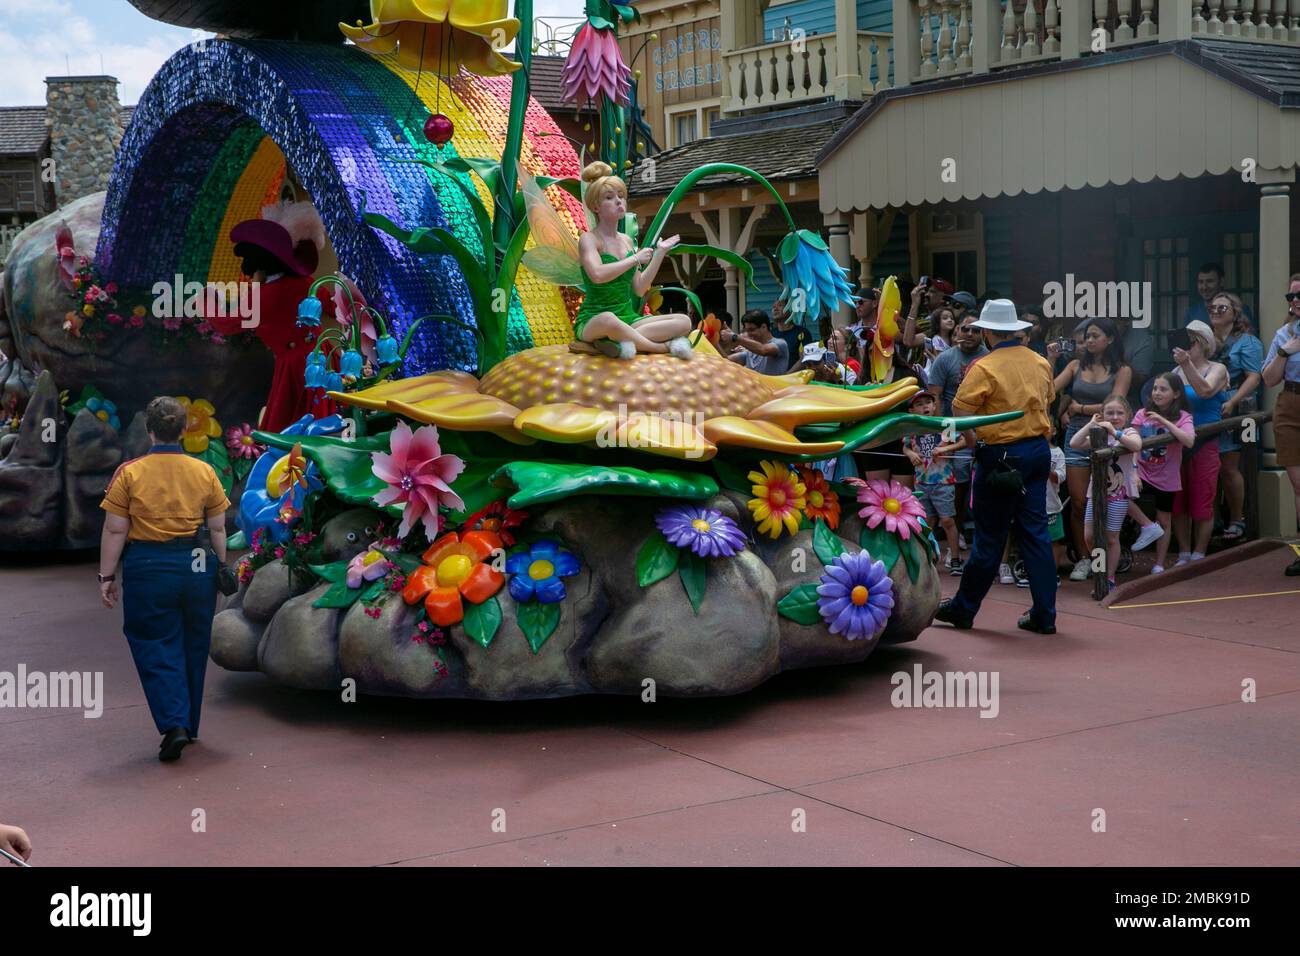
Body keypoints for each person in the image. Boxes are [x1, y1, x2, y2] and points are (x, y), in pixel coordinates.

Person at [99, 396, 230, 762]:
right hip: (198, 563)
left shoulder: (130, 473)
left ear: (149, 429)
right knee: (193, 639)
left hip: (149, 565)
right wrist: (221, 565)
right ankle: (189, 724)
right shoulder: (203, 471)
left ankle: (174, 723)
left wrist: (106, 576)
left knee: (154, 640)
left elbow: (114, 530)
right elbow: (218, 526)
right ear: (186, 429)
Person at [934, 299, 1058, 634]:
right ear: (1016, 330)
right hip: (1036, 451)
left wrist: (976, 444)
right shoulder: (1040, 362)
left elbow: (960, 412)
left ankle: (964, 608)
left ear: (988, 331)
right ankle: (1045, 615)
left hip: (1001, 456)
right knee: (1036, 534)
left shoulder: (985, 367)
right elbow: (1047, 403)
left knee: (989, 537)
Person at [206, 202, 338, 432]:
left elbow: (226, 324)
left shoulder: (265, 295)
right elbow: (334, 307)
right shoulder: (304, 282)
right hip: (323, 355)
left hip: (297, 368)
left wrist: (205, 301)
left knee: (292, 426)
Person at [571, 162, 691, 360]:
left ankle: (613, 342)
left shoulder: (626, 241)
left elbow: (640, 288)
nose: (619, 201)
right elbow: (598, 275)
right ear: (595, 207)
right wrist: (634, 259)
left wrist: (659, 254)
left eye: (621, 196)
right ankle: (662, 348)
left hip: (628, 319)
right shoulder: (589, 239)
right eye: (610, 198)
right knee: (610, 321)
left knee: (684, 321)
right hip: (595, 319)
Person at [1050, 317, 1133, 581]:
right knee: (1079, 502)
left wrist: (1079, 408)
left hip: (1107, 437)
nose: (1089, 340)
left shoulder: (1122, 370)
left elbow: (1115, 404)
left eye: (1095, 335)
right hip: (1077, 434)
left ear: (1109, 339)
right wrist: (1051, 361)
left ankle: (1107, 555)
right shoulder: (1075, 365)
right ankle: (1086, 558)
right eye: (1087, 336)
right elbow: (1048, 391)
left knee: (1105, 500)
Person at [1069, 395, 1142, 595]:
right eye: (1110, 413)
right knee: (1090, 537)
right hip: (1096, 492)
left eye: (1119, 413)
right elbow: (1075, 443)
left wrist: (1115, 432)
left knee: (1110, 537)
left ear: (1127, 415)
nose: (1115, 416)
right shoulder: (1098, 433)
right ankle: (1099, 569)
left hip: (1118, 493)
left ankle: (1108, 577)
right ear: (1103, 415)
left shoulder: (1128, 431)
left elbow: (1136, 445)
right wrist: (1092, 424)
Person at [1171, 320, 1230, 566]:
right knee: (1178, 499)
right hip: (1179, 443)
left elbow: (1205, 391)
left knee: (1203, 495)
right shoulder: (1175, 373)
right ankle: (1184, 552)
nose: (1188, 346)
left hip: (1205, 441)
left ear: (1203, 343)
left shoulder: (1217, 368)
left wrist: (1187, 364)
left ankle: (1199, 553)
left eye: (1192, 341)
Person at [1209, 292, 1264, 541]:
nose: (1217, 311)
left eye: (1223, 308)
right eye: (1213, 308)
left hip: (1233, 405)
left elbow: (1254, 376)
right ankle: (1212, 519)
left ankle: (1237, 518)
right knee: (1209, 467)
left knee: (1228, 467)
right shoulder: (1205, 340)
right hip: (1207, 405)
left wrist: (1232, 401)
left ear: (1235, 312)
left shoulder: (1247, 342)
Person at [1128, 372, 1195, 574]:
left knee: (1164, 519)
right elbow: (1133, 443)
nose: (1157, 393)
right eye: (1155, 388)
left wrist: (1164, 421)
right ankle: (1147, 527)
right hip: (1142, 471)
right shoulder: (1142, 413)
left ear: (1176, 394)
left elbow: (1189, 441)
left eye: (1163, 389)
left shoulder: (1184, 417)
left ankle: (1158, 564)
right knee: (1121, 496)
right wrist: (1133, 471)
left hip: (1166, 476)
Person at [1261, 273, 1300, 576]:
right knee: (1298, 483)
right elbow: (1270, 379)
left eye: (1299, 295)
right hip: (1290, 402)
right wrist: (1287, 351)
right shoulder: (1283, 334)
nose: (1295, 301)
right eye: (1291, 297)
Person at [903, 390, 966, 574]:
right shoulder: (912, 428)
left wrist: (946, 449)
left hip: (944, 481)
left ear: (935, 405)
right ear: (912, 410)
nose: (925, 406)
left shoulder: (944, 424)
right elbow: (905, 446)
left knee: (947, 520)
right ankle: (927, 557)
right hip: (922, 482)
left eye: (928, 402)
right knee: (926, 522)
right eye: (920, 404)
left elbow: (963, 441)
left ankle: (955, 559)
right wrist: (910, 453)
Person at [1183, 262, 1255, 329]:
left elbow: (1250, 338)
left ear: (1221, 282)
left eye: (1209, 281)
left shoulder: (1239, 309)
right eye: (1200, 282)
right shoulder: (1191, 313)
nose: (1204, 287)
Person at [721, 309, 788, 374]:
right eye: (747, 330)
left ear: (763, 327)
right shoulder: (750, 351)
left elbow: (763, 350)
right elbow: (725, 360)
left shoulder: (780, 343)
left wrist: (735, 337)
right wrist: (714, 341)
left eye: (751, 330)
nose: (748, 333)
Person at [770, 298, 807, 373]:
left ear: (790, 310)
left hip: (793, 379)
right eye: (773, 307)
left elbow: (803, 359)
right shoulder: (770, 333)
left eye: (780, 305)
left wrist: (787, 375)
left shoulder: (801, 332)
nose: (775, 309)